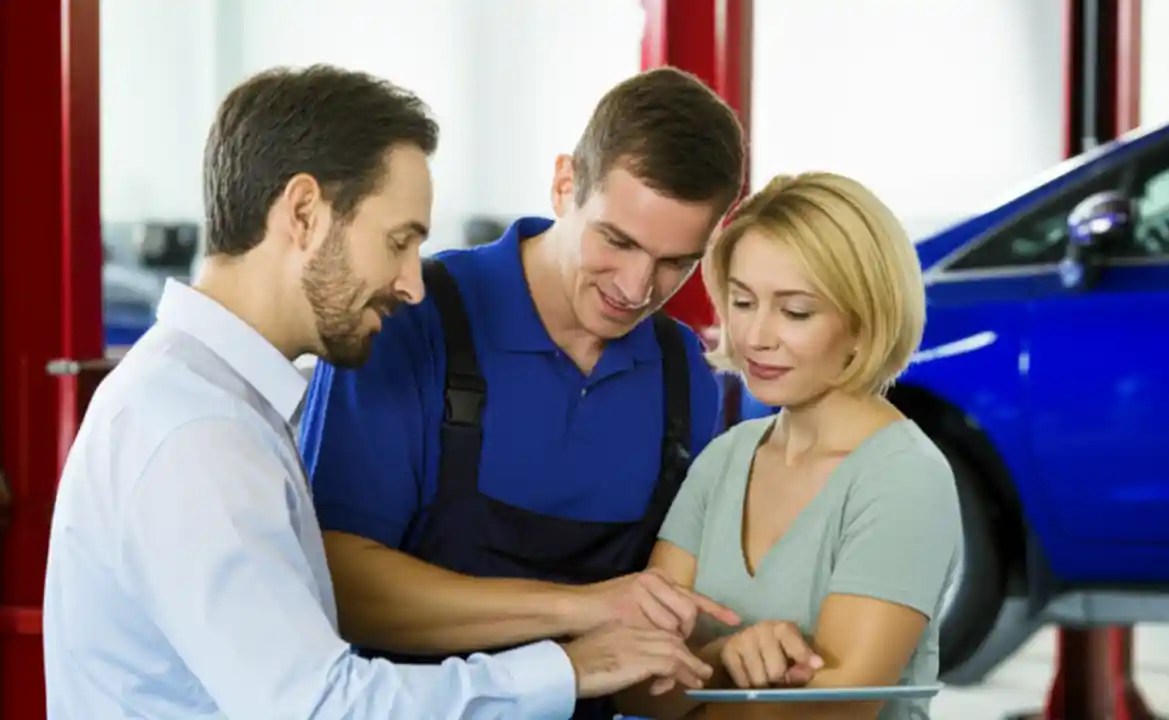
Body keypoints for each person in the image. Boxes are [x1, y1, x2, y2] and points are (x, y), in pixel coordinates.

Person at [42, 64, 713, 720]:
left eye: (676, 262)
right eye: (397, 243)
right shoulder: (198, 436)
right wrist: (569, 664)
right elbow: (322, 705)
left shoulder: (218, 406)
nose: (412, 285)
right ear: (303, 213)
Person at [297, 67, 747, 719]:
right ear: (565, 184)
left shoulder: (686, 376)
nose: (636, 287)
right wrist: (583, 610)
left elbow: (667, 629)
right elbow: (337, 587)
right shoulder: (408, 320)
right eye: (617, 240)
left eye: (676, 262)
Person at [614, 172, 963, 720]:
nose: (756, 336)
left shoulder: (904, 479)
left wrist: (693, 677)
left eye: (795, 311)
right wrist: (725, 659)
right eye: (742, 302)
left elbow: (836, 712)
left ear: (865, 322)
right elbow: (633, 683)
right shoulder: (725, 459)